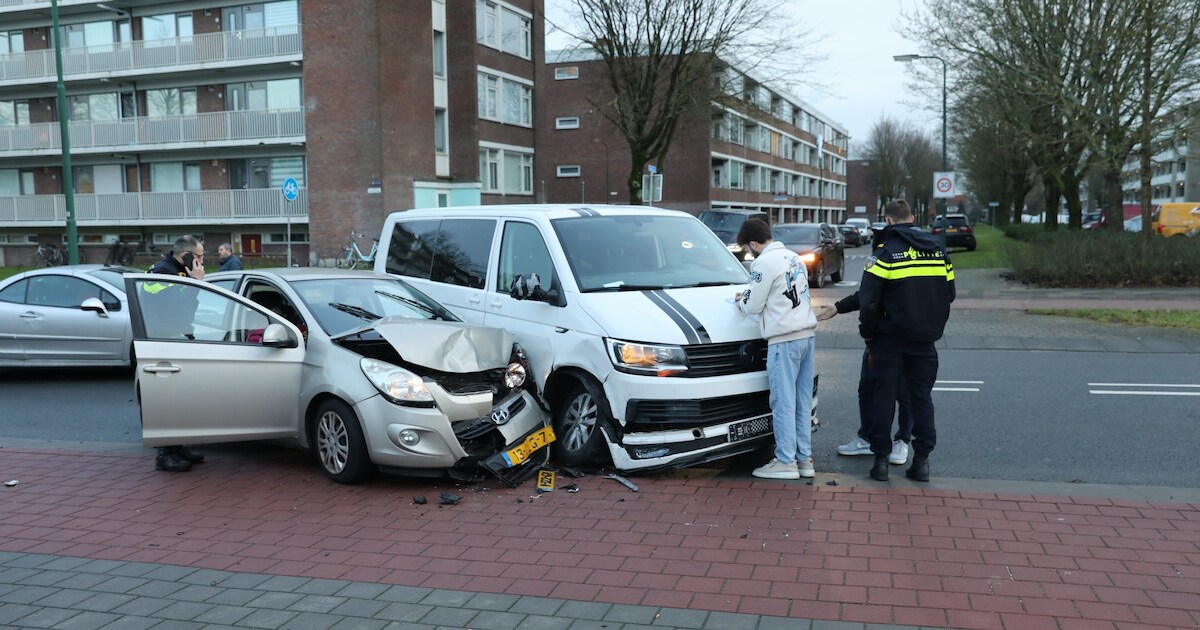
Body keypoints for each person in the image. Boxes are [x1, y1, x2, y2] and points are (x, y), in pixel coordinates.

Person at [857, 200, 954, 482]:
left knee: (883, 398)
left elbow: (868, 300)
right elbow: (949, 293)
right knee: (921, 398)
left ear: (887, 221)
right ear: (911, 218)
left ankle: (881, 462)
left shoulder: (885, 253)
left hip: (888, 340)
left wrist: (868, 332)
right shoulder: (938, 252)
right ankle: (921, 462)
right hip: (925, 340)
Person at [734, 218, 819, 480]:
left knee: (783, 401)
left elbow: (753, 304)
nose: (749, 253)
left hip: (783, 339)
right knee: (802, 401)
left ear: (753, 243)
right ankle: (804, 459)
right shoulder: (793, 257)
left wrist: (741, 300)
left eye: (747, 248)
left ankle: (785, 461)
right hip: (806, 335)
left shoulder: (763, 262)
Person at [816, 292, 914, 466]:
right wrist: (839, 307)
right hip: (882, 336)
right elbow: (869, 292)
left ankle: (901, 440)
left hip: (905, 337)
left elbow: (945, 294)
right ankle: (869, 439)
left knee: (903, 393)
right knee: (868, 390)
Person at [144, 235, 207, 473]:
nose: (202, 261)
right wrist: (196, 282)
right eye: (199, 256)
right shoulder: (161, 273)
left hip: (177, 339)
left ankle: (177, 446)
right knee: (168, 400)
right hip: (163, 343)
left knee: (182, 399)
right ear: (186, 255)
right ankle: (165, 453)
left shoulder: (178, 271)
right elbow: (176, 308)